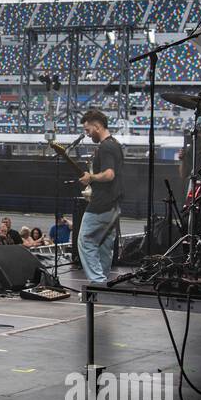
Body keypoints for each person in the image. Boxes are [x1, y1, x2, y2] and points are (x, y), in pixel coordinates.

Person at [75, 108, 123, 286]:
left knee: (85, 241)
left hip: (101, 204)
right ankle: (103, 286)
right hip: (113, 205)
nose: (87, 134)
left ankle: (97, 283)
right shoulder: (115, 144)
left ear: (97, 126)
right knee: (103, 246)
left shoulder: (106, 146)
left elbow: (109, 174)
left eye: (88, 130)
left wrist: (91, 178)